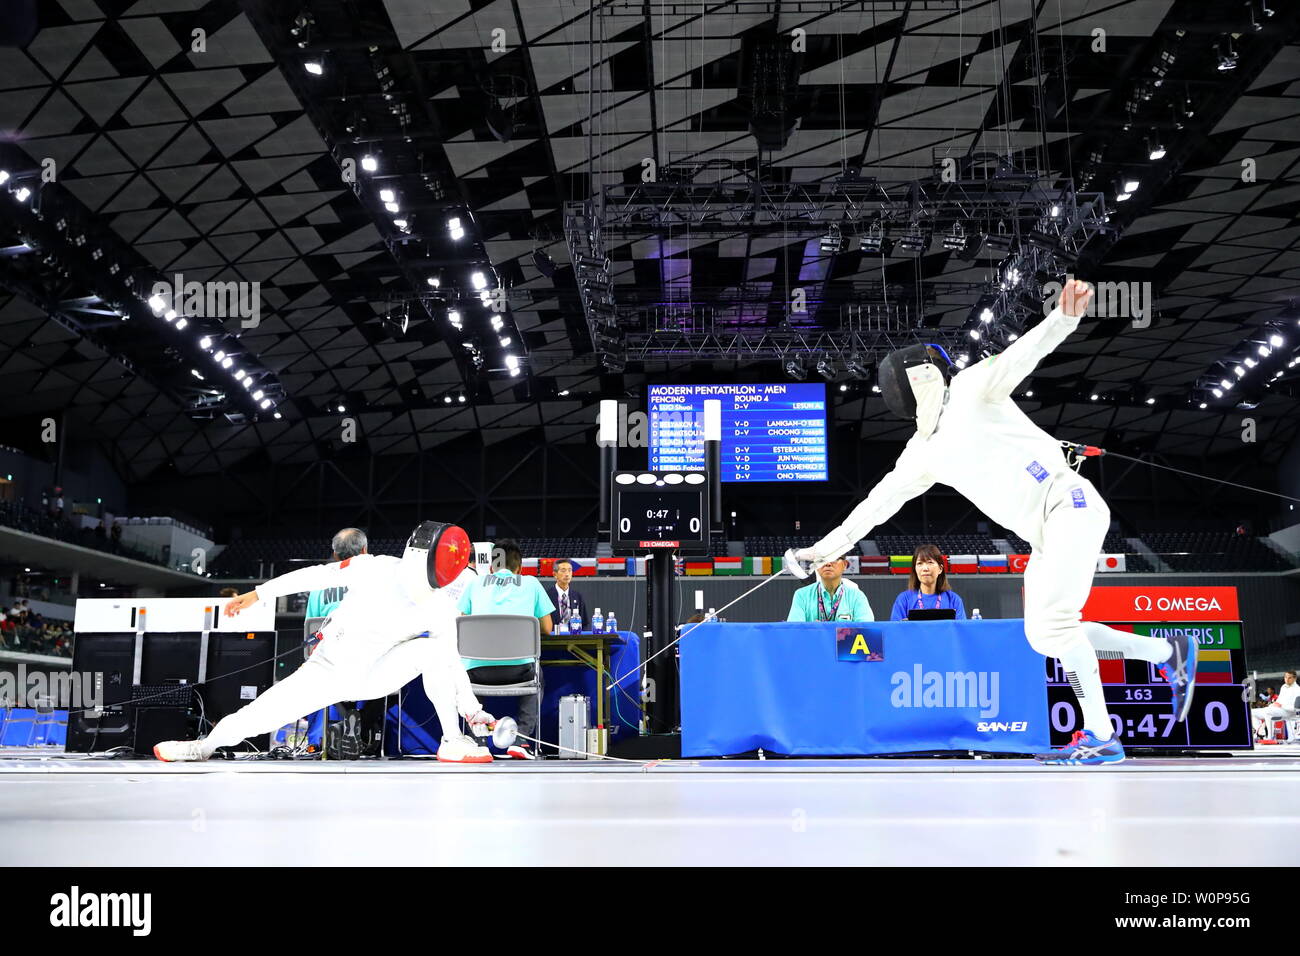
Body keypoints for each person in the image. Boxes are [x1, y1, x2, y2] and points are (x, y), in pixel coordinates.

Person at [785, 280, 1195, 765]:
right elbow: (873, 508)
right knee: (1043, 634)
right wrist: (819, 550)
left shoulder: (971, 389)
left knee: (1059, 629)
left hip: (1070, 504)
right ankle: (1165, 653)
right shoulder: (922, 454)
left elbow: (1022, 355)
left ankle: (1102, 735)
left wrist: (1063, 318)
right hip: (1049, 534)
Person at [153, 521, 496, 764]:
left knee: (433, 650)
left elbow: (450, 660)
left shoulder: (438, 607)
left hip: (373, 677)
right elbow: (315, 575)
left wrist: (472, 709)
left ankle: (453, 740)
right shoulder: (374, 567)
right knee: (261, 714)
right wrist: (259, 593)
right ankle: (204, 745)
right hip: (327, 671)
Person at [457, 538, 555, 759]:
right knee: (539, 676)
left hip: (476, 671)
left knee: (461, 678)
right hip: (519, 670)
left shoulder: (474, 584)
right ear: (519, 567)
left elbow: (463, 624)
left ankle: (477, 739)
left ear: (491, 566)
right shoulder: (531, 583)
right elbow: (547, 627)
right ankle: (522, 741)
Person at [786, 553, 873, 622]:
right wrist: (811, 631)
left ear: (845, 565)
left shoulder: (857, 596)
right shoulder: (801, 595)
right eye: (821, 560)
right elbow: (794, 632)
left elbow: (867, 631)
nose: (827, 564)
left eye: (834, 559)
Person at [890, 544, 966, 620]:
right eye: (920, 563)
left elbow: (961, 630)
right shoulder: (904, 599)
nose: (925, 568)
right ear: (915, 569)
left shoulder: (954, 600)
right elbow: (895, 630)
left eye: (930, 562)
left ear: (940, 569)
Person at [544, 558, 589, 631]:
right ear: (555, 574)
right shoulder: (546, 596)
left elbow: (585, 622)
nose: (567, 574)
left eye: (569, 570)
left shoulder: (577, 596)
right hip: (553, 637)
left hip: (574, 636)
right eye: (563, 570)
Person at [1253, 671, 1300, 740]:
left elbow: (1296, 708)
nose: (1287, 679)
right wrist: (1272, 705)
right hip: (1278, 710)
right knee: (1251, 712)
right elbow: (1278, 701)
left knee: (1268, 712)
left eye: (1289, 678)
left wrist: (1281, 705)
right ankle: (1261, 733)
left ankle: (1270, 737)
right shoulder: (1283, 687)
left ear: (1295, 678)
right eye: (1285, 677)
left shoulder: (1297, 689)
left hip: (1289, 713)